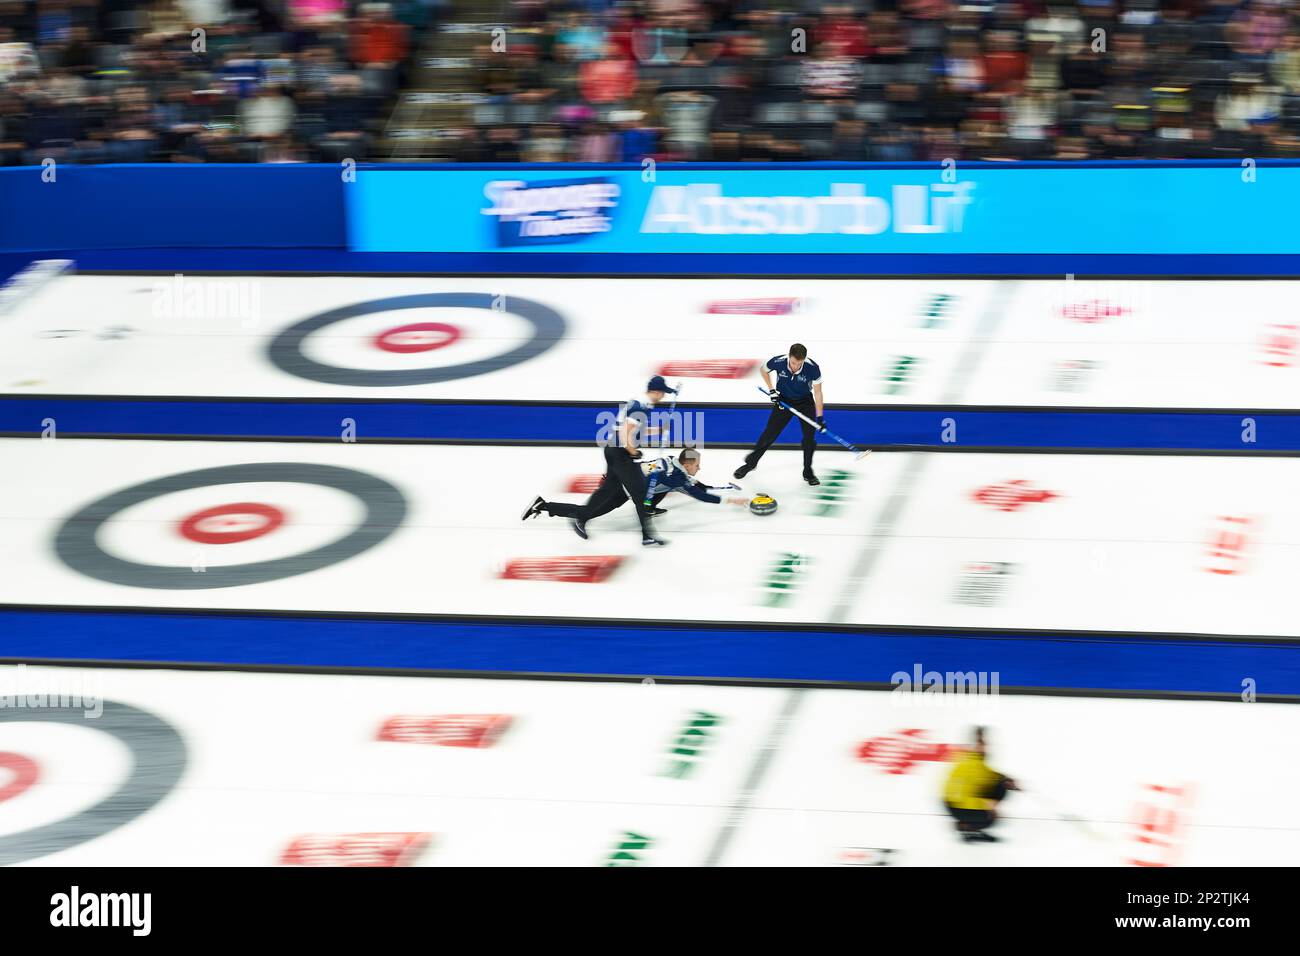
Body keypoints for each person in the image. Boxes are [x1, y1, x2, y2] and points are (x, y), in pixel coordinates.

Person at [521, 376, 676, 546]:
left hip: (613, 450)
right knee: (640, 493)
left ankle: (560, 511)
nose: (664, 397)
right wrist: (633, 452)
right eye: (663, 393)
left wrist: (658, 430)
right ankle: (646, 535)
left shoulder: (638, 403)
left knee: (606, 493)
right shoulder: (641, 406)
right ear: (656, 391)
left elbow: (635, 431)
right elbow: (625, 434)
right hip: (621, 453)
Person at [523, 447, 750, 540]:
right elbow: (698, 494)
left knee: (666, 488)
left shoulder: (673, 465)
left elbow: (698, 486)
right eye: (697, 464)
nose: (698, 468)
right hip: (620, 487)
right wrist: (732, 500)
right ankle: (543, 506)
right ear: (688, 464)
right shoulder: (675, 475)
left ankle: (649, 507)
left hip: (628, 486)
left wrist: (726, 488)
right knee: (588, 512)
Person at [734, 343, 825, 485]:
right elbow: (763, 370)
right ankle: (751, 464)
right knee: (769, 433)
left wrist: (820, 417)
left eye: (799, 364)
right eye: (794, 363)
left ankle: (808, 471)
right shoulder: (779, 361)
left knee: (809, 439)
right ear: (789, 357)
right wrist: (772, 391)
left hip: (805, 403)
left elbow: (818, 393)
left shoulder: (813, 368)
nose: (796, 366)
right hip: (784, 401)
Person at [942, 726, 1018, 843]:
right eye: (983, 745)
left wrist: (1005, 778)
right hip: (958, 805)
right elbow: (961, 796)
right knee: (991, 818)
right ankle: (967, 827)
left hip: (954, 802)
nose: (986, 748)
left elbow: (990, 774)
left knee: (1001, 784)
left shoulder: (972, 759)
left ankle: (967, 822)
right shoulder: (975, 766)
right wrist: (988, 808)